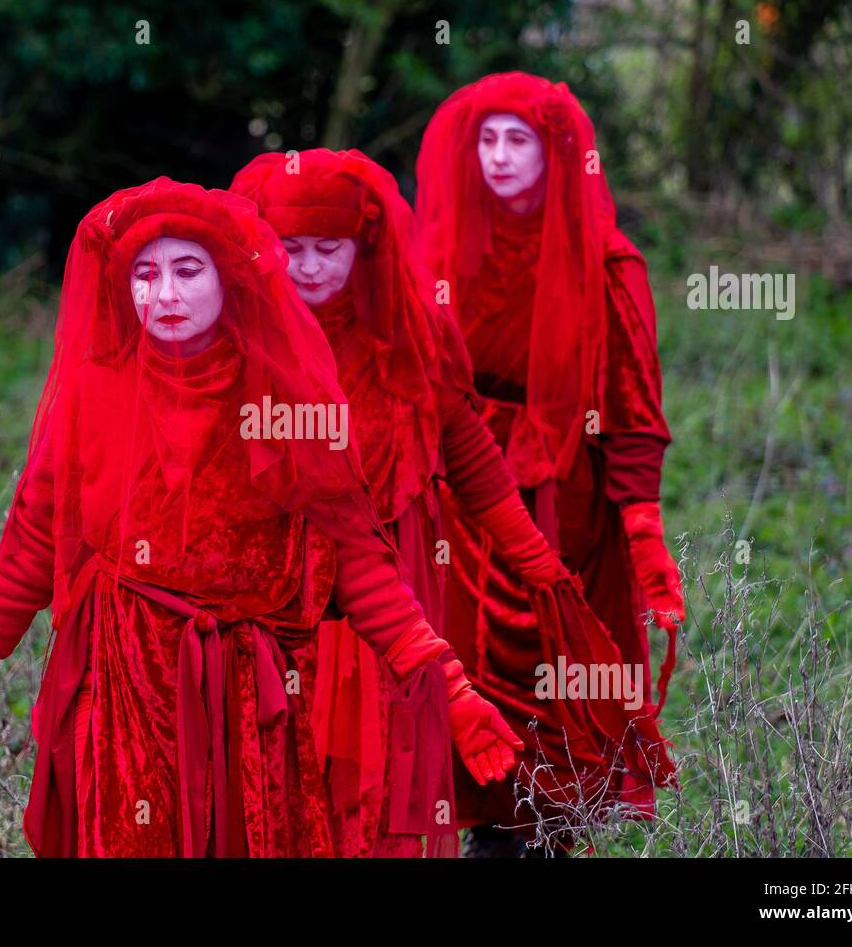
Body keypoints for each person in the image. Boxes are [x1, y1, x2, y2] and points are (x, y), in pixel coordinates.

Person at [0, 177, 521, 857]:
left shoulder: (285, 401)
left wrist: (448, 684)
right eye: (145, 275)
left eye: (188, 270)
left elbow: (359, 565)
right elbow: (29, 551)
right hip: (125, 685)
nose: (166, 294)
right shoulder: (95, 394)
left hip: (251, 699)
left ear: (230, 279)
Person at [232, 148, 628, 857]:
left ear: (365, 246)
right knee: (276, 770)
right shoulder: (237, 336)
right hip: (275, 599)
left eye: (331, 248)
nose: (312, 267)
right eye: (291, 249)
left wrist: (537, 562)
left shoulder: (407, 333)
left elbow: (470, 453)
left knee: (385, 771)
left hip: (397, 582)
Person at [414, 72, 681, 855]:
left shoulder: (607, 262)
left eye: (517, 140)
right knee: (456, 658)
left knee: (552, 668)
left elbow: (633, 407)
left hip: (563, 492)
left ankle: (538, 833)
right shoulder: (454, 244)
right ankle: (474, 821)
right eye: (486, 140)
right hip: (460, 487)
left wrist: (643, 527)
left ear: (556, 154)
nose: (497, 157)